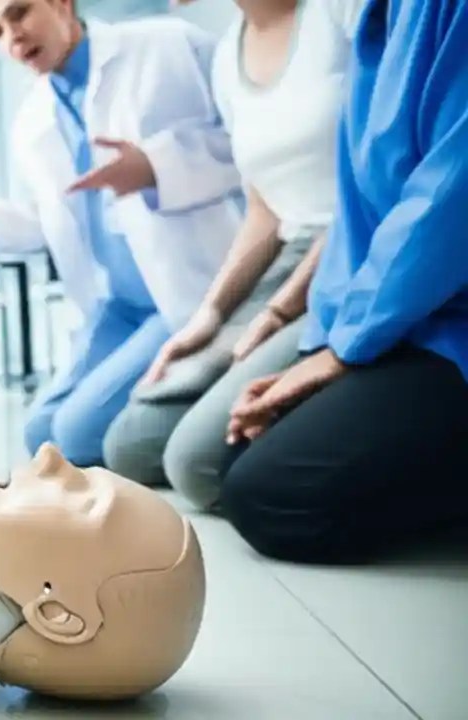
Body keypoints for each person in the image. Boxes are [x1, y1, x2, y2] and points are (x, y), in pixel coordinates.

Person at [0, 0, 244, 465]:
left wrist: (157, 167)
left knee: (75, 437)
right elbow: (48, 223)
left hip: (187, 293)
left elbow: (251, 141)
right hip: (116, 306)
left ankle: (215, 409)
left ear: (61, 4)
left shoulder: (166, 45)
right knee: (41, 434)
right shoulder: (32, 121)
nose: (11, 37)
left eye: (19, 13)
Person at [220, 0, 468, 565]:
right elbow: (357, 213)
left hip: (449, 322)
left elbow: (447, 203)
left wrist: (344, 350)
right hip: (402, 314)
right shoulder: (379, 18)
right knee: (236, 460)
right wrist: (320, 344)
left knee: (272, 497)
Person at [102, 0, 364, 509]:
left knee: (195, 465)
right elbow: (264, 209)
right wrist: (213, 313)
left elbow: (366, 189)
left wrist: (278, 311)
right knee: (131, 444)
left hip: (349, 255)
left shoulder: (338, 15)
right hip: (285, 256)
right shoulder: (227, 57)